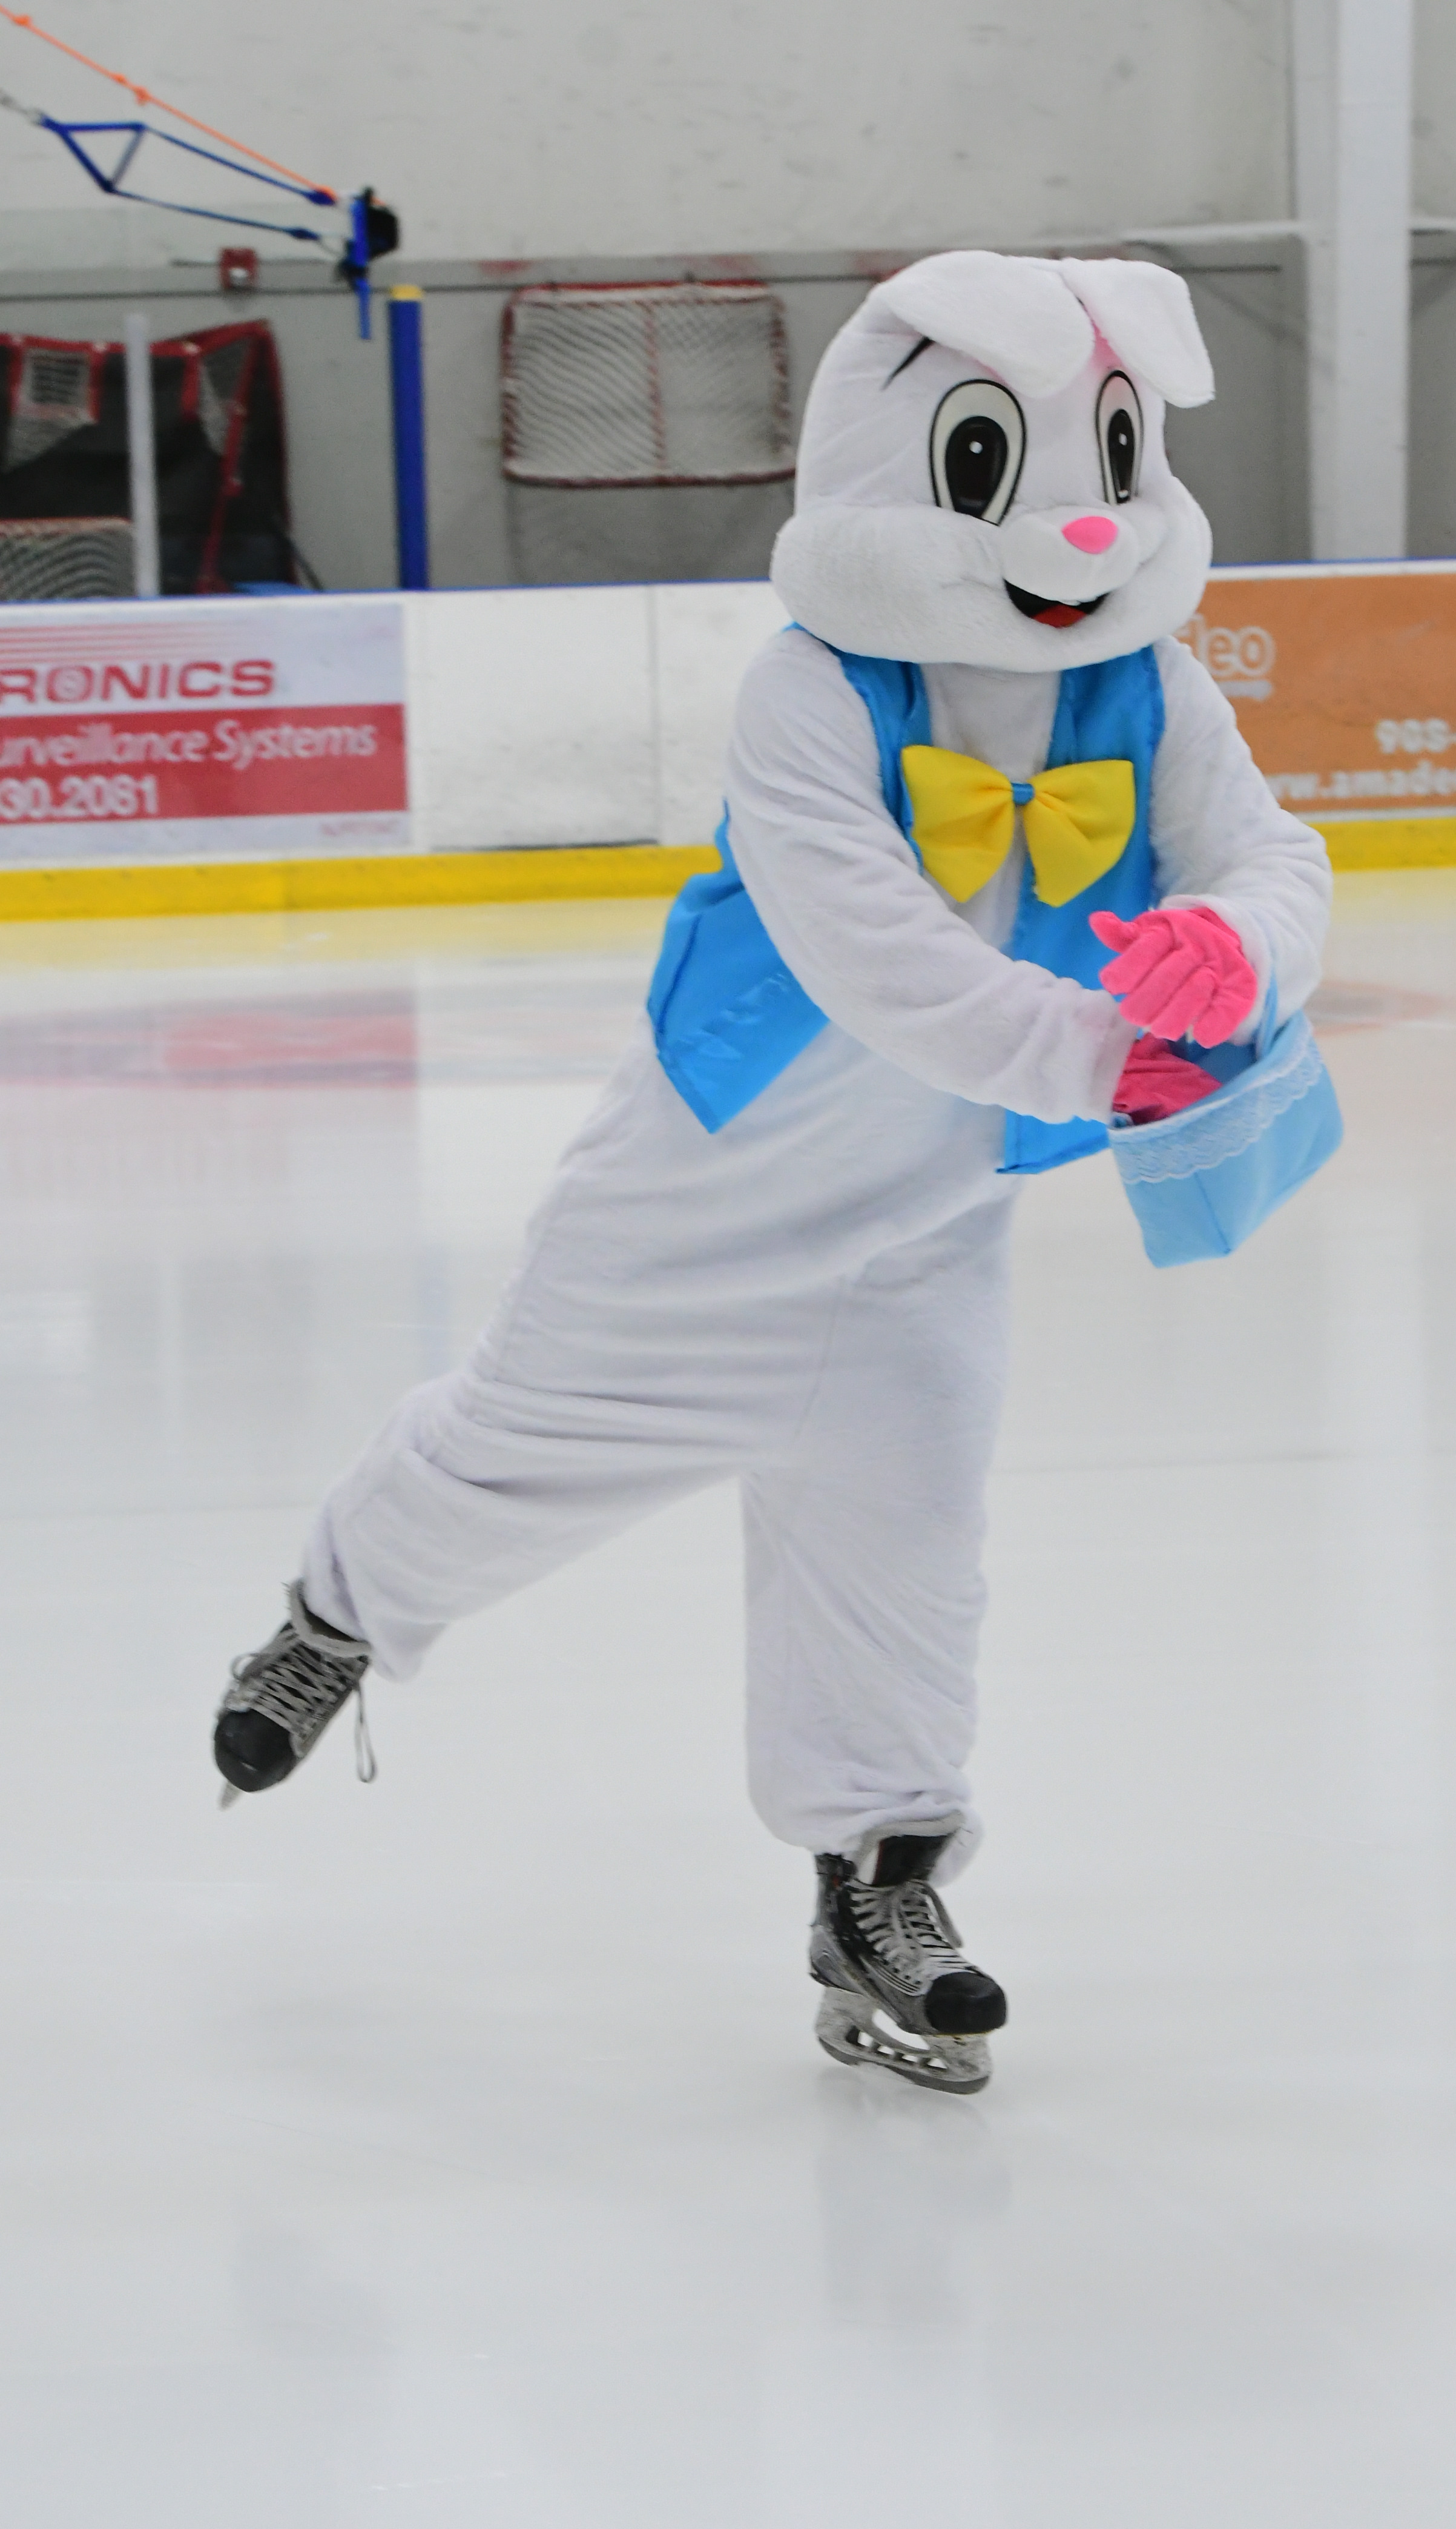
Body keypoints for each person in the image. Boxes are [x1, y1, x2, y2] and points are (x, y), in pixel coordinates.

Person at [214, 251, 1331, 2094]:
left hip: (929, 1232)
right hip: (697, 1207)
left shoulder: (1150, 680)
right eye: (1001, 465)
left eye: (1105, 458)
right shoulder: (815, 691)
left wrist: (1241, 946)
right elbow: (865, 950)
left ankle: (882, 1882)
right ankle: (339, 1608)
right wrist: (1089, 1050)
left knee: (909, 1559)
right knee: (510, 1463)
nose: (1071, 514)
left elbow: (1273, 853)